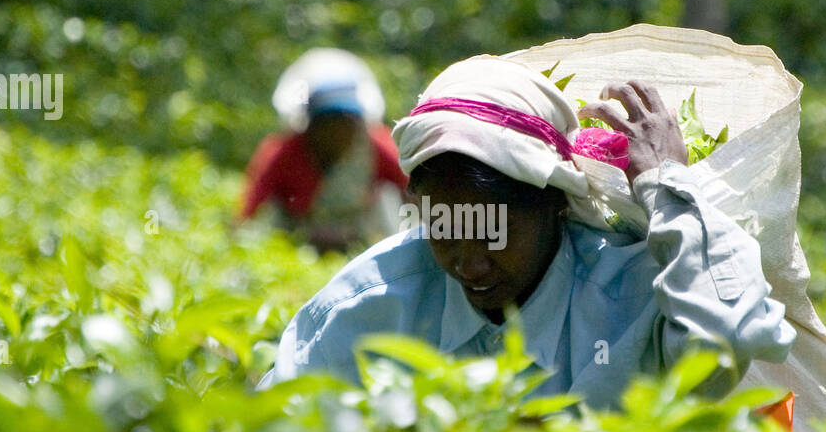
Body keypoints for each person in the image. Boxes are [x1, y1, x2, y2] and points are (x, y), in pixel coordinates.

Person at [258, 55, 796, 412]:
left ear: (555, 205)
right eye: (442, 229)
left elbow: (727, 342)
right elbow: (275, 425)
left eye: (493, 233)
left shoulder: (630, 295)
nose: (468, 264)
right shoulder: (373, 304)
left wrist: (666, 186)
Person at [238, 49, 408, 254]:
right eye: (329, 124)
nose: (338, 133)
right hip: (298, 248)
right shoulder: (284, 152)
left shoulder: (376, 147)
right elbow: (248, 211)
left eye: (346, 124)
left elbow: (413, 189)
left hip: (361, 246)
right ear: (312, 126)